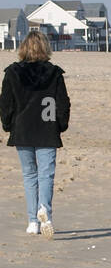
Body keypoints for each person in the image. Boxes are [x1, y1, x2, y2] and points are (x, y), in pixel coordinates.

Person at [1, 30, 71, 238]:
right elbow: (63, 103)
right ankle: (45, 213)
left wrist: (7, 125)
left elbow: (5, 103)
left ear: (23, 48)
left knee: (30, 175)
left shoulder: (12, 73)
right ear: (45, 47)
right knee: (46, 174)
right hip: (47, 129)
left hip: (23, 129)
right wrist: (61, 125)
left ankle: (33, 221)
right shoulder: (54, 73)